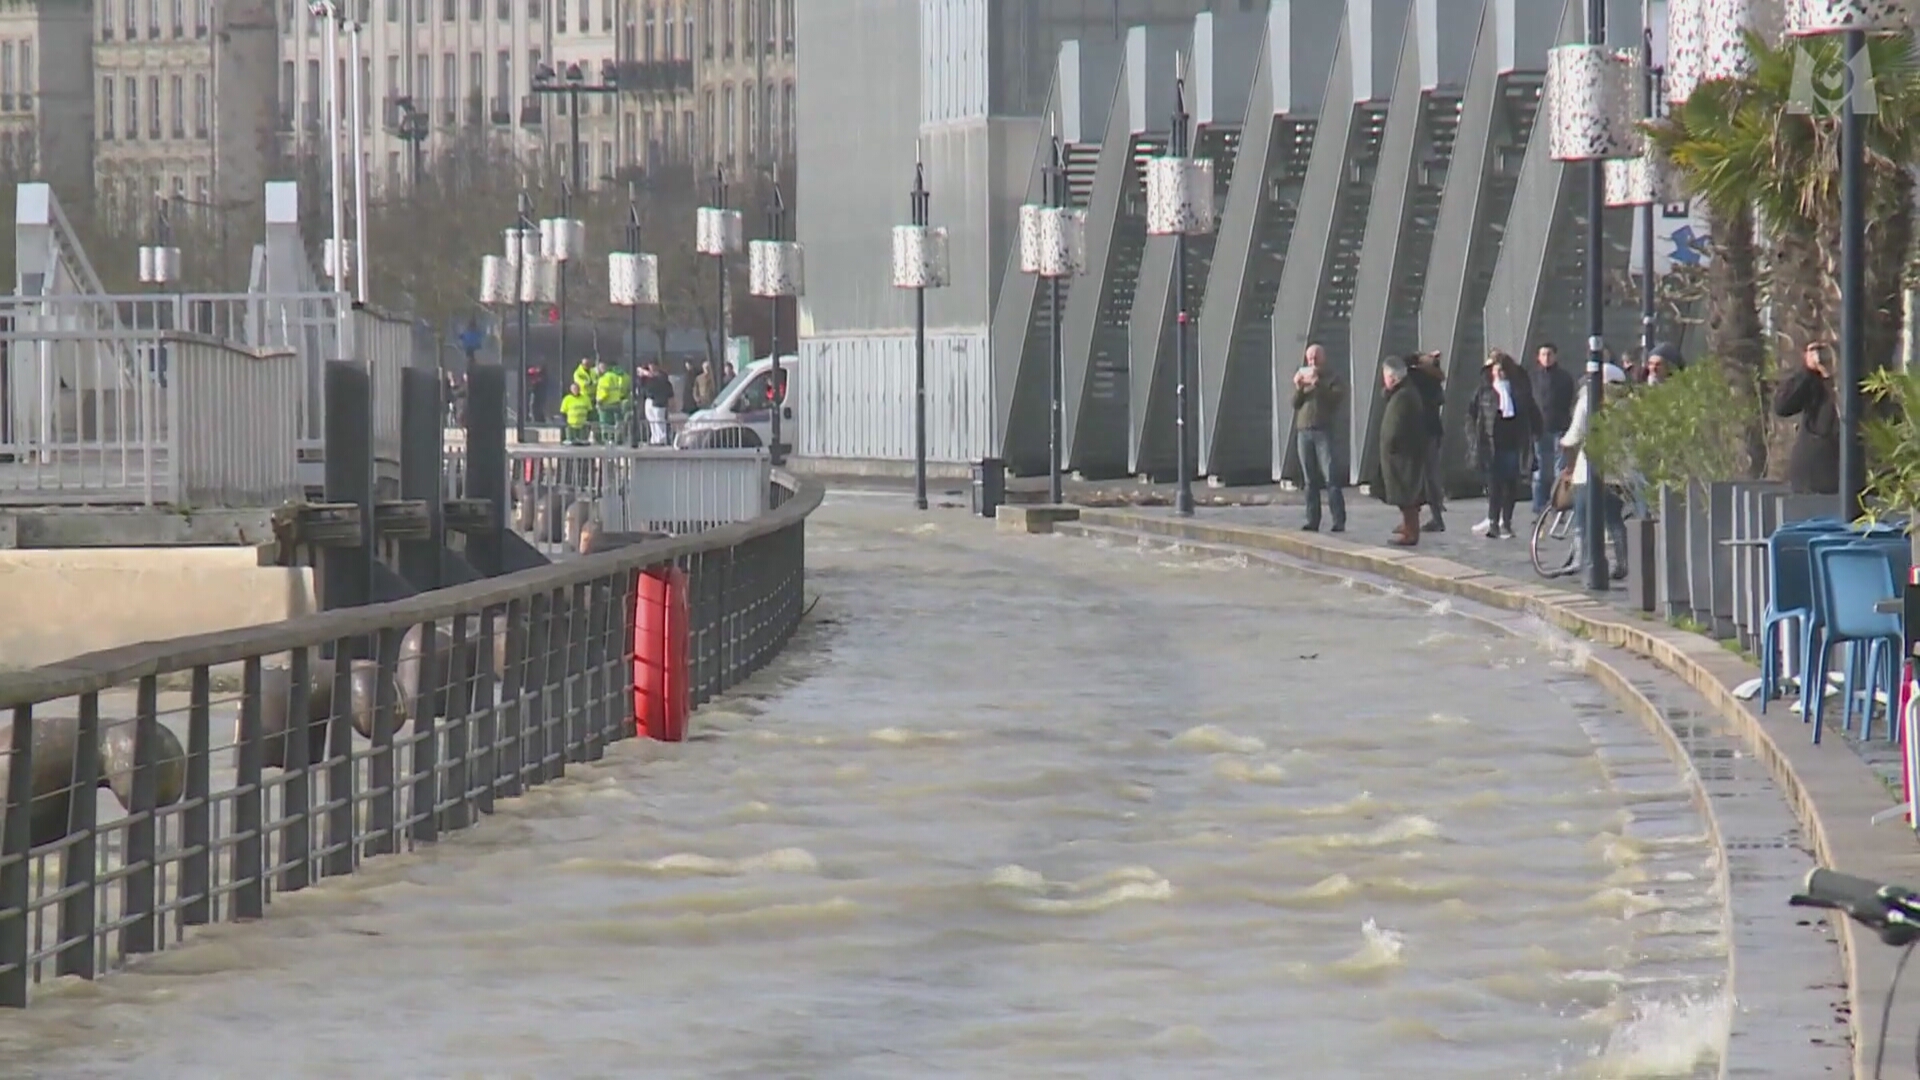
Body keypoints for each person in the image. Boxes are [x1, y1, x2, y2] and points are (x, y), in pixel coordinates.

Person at [1560, 362, 1630, 580]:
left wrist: (1569, 467)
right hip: (1618, 470)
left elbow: (1574, 436)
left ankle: (1581, 559)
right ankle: (1621, 561)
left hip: (1589, 468)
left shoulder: (1588, 400)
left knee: (1582, 517)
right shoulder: (1628, 404)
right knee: (1614, 518)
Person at [1468, 350, 1539, 539]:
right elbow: (1472, 415)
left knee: (1510, 484)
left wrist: (1536, 433)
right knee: (1494, 485)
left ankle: (1506, 522)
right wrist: (1473, 438)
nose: (1498, 374)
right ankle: (1493, 522)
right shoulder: (1484, 391)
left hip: (1513, 444)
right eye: (1495, 370)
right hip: (1491, 445)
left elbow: (1532, 413)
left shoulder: (1519, 390)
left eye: (1501, 370)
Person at [1774, 341, 1840, 496]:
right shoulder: (1813, 382)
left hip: (1842, 479)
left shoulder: (1858, 380)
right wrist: (1807, 371)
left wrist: (1831, 377)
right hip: (1810, 482)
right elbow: (1782, 407)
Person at [1291, 343, 1346, 533]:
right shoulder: (1304, 376)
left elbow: (1336, 399)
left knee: (1330, 476)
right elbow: (1295, 404)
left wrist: (1319, 384)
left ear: (1323, 358)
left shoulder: (1332, 377)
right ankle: (1312, 520)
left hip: (1323, 430)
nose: (1312, 361)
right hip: (1304, 430)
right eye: (1310, 358)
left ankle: (1338, 520)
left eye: (1316, 357)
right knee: (1309, 480)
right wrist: (1299, 387)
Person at [1377, 356, 1430, 547]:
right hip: (1400, 453)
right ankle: (1408, 526)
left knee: (1407, 495)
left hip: (1403, 454)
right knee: (1404, 495)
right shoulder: (1401, 393)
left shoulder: (1405, 396)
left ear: (1393, 378)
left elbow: (1396, 426)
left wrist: (1391, 444)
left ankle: (1411, 532)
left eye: (1386, 377)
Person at [1529, 342, 1577, 515]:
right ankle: (1539, 507)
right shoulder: (1533, 378)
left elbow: (1569, 399)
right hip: (1539, 428)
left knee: (1559, 470)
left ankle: (1559, 505)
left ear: (1555, 356)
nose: (1546, 358)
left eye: (1549, 354)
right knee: (1540, 471)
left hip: (1559, 426)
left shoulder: (1564, 377)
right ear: (1538, 357)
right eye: (1543, 354)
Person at [1406, 351, 1448, 532]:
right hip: (1432, 430)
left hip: (1422, 431)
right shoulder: (1434, 379)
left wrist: (1420, 358)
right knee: (1429, 476)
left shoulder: (1417, 377)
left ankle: (1423, 519)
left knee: (1423, 477)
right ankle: (1433, 516)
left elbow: (1404, 361)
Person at [594, 360, 629, 443]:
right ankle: (617, 440)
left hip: (606, 405)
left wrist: (598, 402)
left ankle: (607, 441)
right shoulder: (615, 376)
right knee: (616, 424)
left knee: (606, 425)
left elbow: (604, 393)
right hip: (616, 402)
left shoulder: (604, 378)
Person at [641, 361, 675, 445]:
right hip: (649, 399)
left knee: (659, 420)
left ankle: (661, 439)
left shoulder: (661, 376)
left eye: (652, 365)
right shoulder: (647, 377)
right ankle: (655, 438)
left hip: (659, 401)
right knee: (651, 420)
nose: (651, 367)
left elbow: (661, 381)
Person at [560, 379, 594, 445]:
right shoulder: (567, 399)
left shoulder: (585, 398)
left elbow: (590, 411)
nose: (575, 390)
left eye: (577, 389)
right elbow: (563, 412)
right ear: (571, 390)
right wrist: (565, 423)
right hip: (571, 426)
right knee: (570, 443)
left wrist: (588, 422)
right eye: (574, 389)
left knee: (583, 443)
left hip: (583, 426)